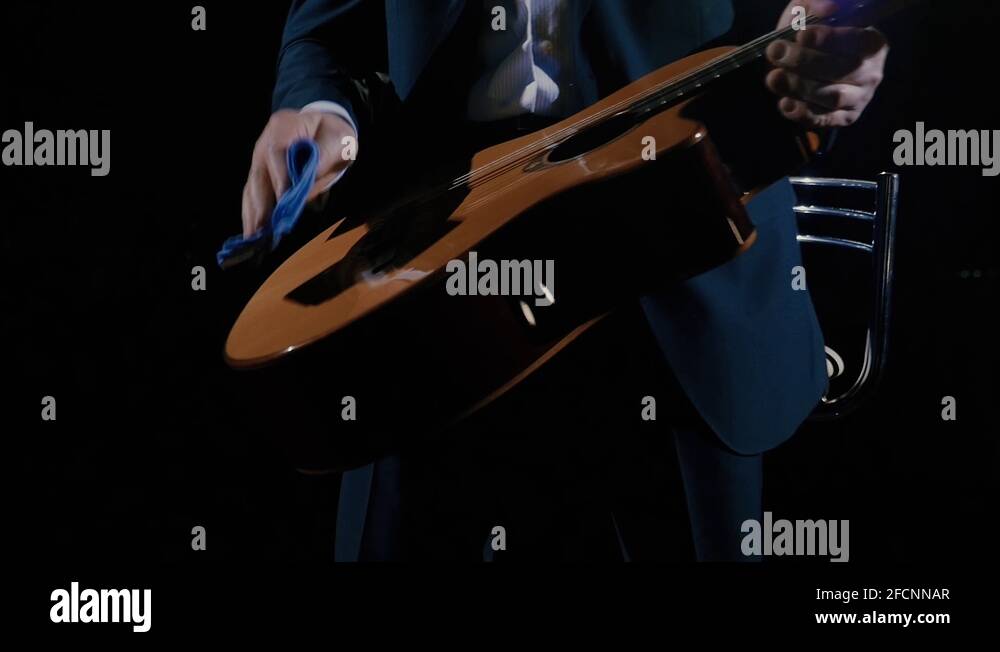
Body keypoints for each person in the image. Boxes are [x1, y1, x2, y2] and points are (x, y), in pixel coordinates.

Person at [239, 0, 888, 561]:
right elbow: (328, 34)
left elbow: (813, 20)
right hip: (431, 299)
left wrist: (826, 50)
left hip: (679, 276)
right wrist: (321, 113)